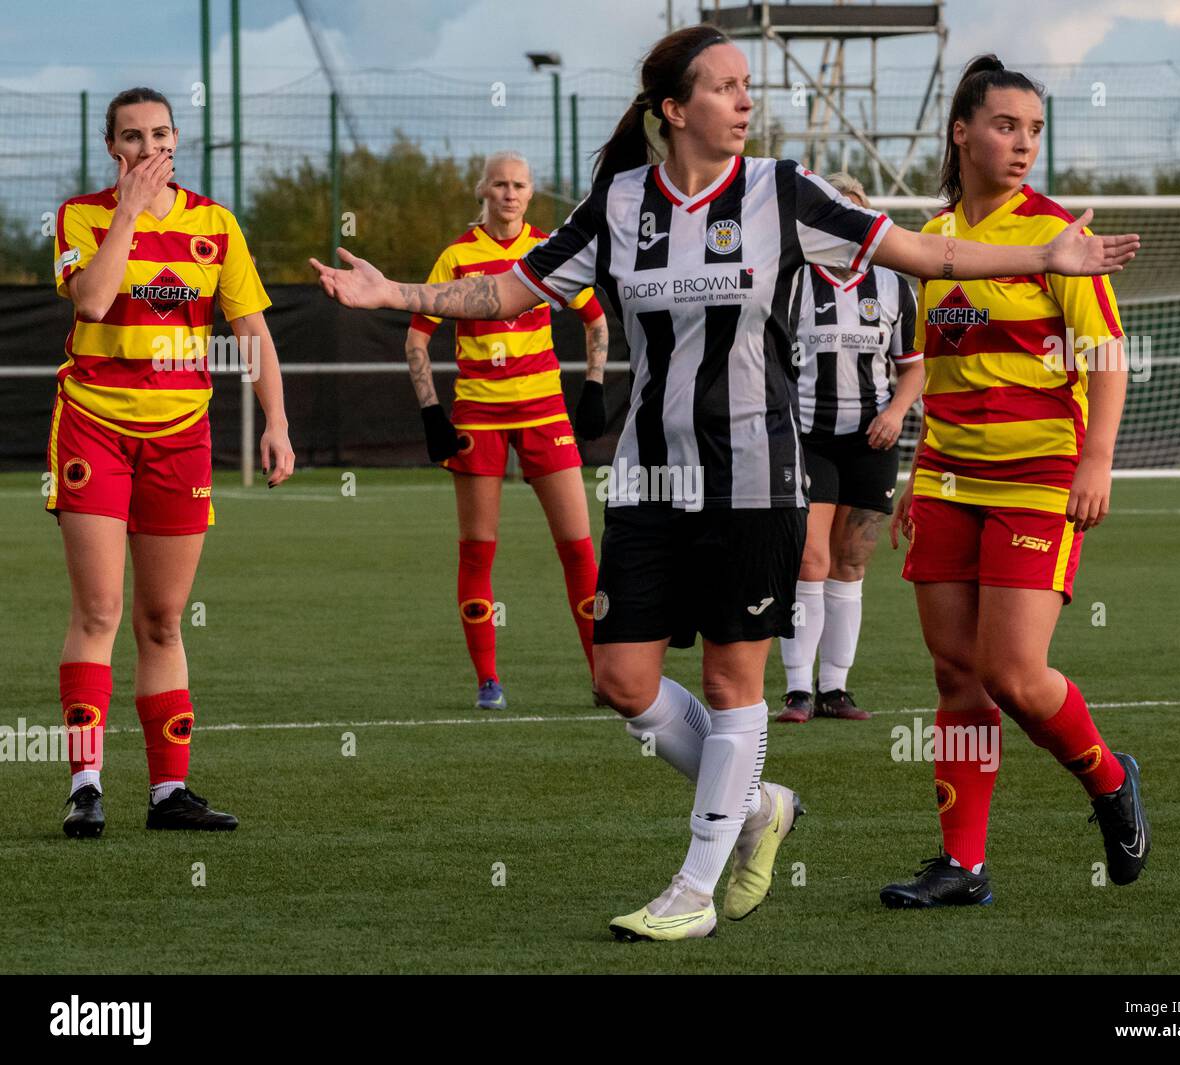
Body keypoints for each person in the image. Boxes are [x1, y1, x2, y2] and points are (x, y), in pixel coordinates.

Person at [311, 28, 1137, 940]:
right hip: (649, 477)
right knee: (621, 679)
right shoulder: (619, 201)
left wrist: (1043, 258)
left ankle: (695, 886)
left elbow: (920, 255)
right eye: (727, 88)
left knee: (738, 675)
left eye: (750, 87)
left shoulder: (783, 192)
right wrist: (396, 295)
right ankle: (758, 802)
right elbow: (512, 290)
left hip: (759, 476)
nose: (747, 102)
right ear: (675, 109)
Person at [880, 55, 1151, 909]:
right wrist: (917, 475)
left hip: (1040, 478)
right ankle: (961, 865)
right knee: (956, 676)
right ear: (962, 131)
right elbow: (946, 374)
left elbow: (1106, 358)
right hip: (948, 482)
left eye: (1034, 129)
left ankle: (1110, 780)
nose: (1023, 142)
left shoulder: (1059, 235)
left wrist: (1097, 460)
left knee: (1013, 672)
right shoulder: (932, 239)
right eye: (1006, 125)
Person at [52, 87, 294, 838]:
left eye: (159, 134)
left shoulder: (215, 224)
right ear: (111, 147)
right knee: (99, 611)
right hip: (93, 427)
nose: (147, 148)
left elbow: (250, 329)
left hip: (182, 435)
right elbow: (91, 302)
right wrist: (128, 211)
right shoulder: (80, 216)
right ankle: (85, 786)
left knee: (162, 619)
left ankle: (169, 794)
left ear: (177, 139)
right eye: (131, 137)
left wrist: (278, 422)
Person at [404, 150, 609, 710]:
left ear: (531, 192)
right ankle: (488, 682)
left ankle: (604, 677)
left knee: (579, 549)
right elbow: (417, 337)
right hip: (479, 415)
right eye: (500, 184)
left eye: (519, 184)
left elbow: (596, 319)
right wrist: (430, 412)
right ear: (483, 191)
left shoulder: (550, 249)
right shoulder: (456, 257)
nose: (510, 193)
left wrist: (593, 388)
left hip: (546, 413)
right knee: (477, 550)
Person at [777, 171, 924, 724]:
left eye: (853, 212)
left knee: (852, 560)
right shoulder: (791, 282)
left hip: (871, 439)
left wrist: (895, 412)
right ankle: (797, 691)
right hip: (807, 437)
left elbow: (913, 369)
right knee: (809, 559)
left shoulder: (891, 286)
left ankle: (836, 688)